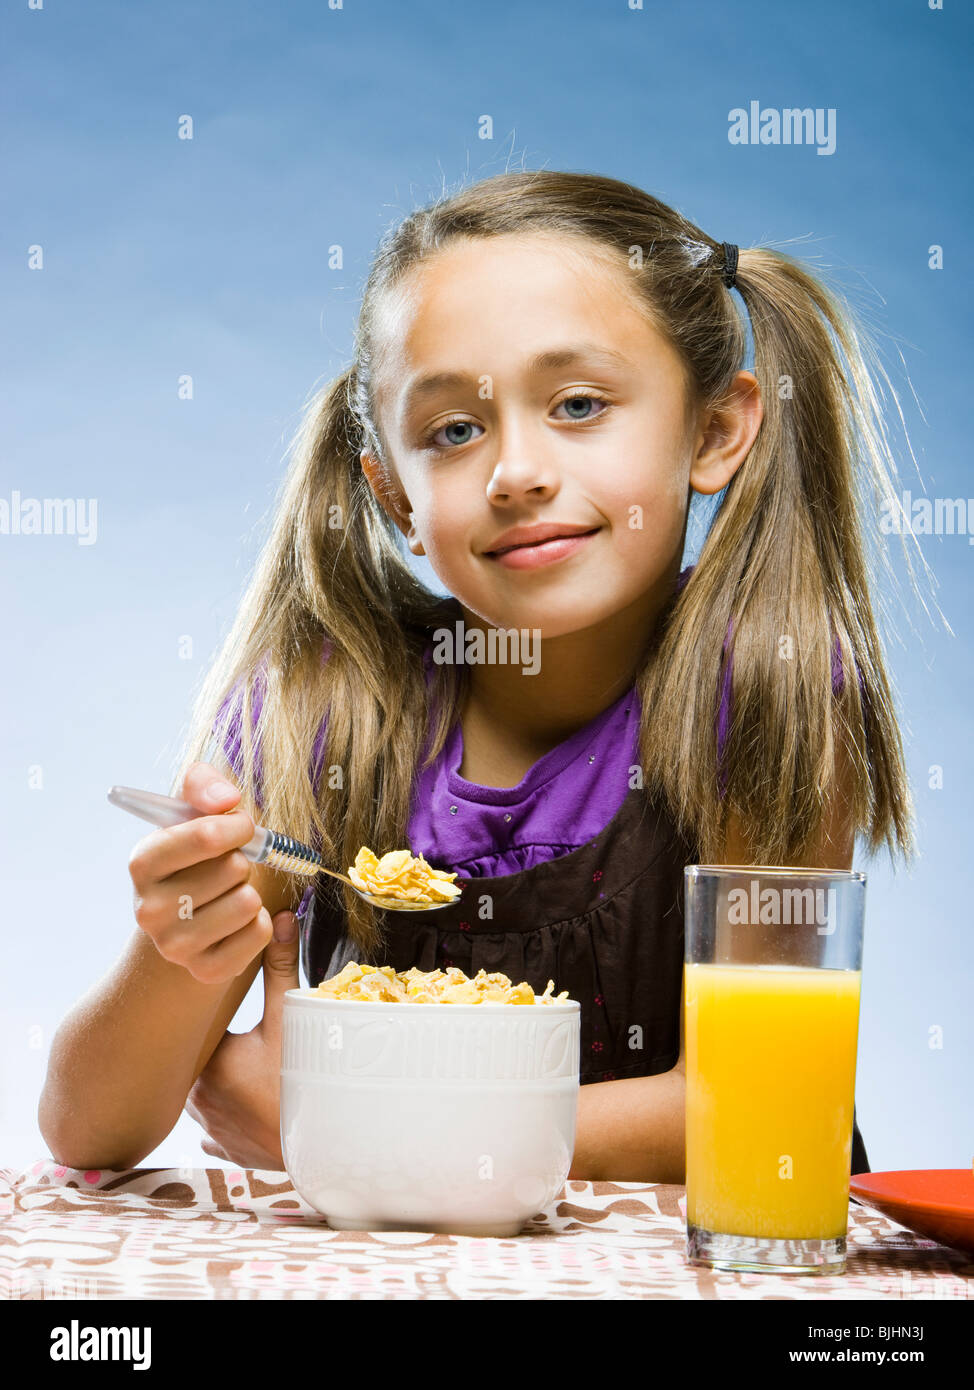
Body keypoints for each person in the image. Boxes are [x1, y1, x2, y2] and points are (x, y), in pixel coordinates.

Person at [40, 170, 920, 1183]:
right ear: (394, 497)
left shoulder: (762, 692)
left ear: (714, 430)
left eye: (578, 404)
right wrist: (178, 947)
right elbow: (89, 1131)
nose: (514, 471)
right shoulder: (327, 706)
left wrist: (357, 1137)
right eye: (453, 430)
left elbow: (763, 1109)